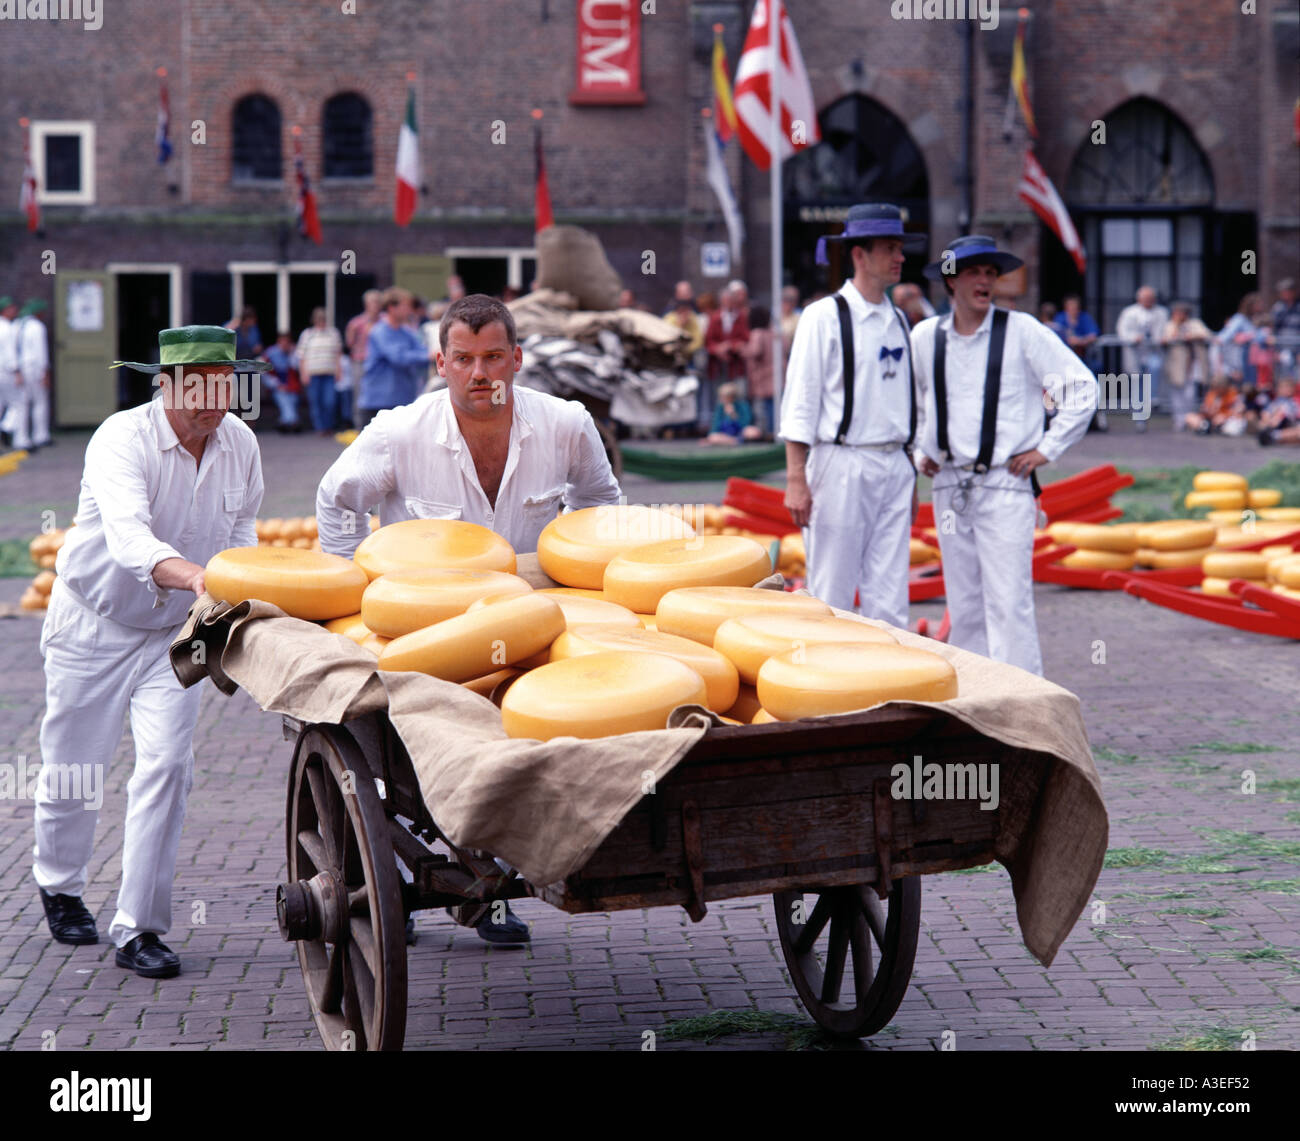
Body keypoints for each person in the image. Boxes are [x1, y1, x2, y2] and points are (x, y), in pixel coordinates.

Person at [317, 296, 620, 945]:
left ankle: (502, 871)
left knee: (533, 734)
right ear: (442, 363)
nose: (480, 373)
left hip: (530, 628)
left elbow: (601, 506)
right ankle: (465, 872)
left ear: (517, 358)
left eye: (492, 358)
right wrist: (348, 592)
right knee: (449, 741)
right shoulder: (400, 433)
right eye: (464, 359)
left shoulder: (566, 424)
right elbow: (335, 498)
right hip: (428, 637)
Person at [34, 325, 266, 978]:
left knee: (168, 765)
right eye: (196, 387)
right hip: (95, 624)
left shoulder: (240, 444)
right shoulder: (120, 438)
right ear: (164, 384)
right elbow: (129, 537)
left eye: (223, 385)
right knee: (73, 765)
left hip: (172, 637)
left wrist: (236, 583)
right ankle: (58, 881)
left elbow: (243, 527)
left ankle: (139, 928)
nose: (212, 401)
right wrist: (198, 576)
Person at [911, 236, 1096, 676]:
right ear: (951, 281)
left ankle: (1023, 708)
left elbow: (1082, 388)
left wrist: (1046, 450)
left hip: (1006, 484)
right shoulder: (924, 337)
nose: (985, 281)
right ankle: (975, 702)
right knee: (965, 601)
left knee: (1009, 601)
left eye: (991, 273)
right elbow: (918, 403)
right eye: (974, 272)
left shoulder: (1022, 331)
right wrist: (923, 450)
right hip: (951, 485)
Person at [781, 202, 925, 627]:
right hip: (841, 462)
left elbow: (906, 402)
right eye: (890, 248)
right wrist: (796, 478)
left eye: (901, 248)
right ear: (859, 255)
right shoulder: (823, 316)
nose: (900, 257)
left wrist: (909, 474)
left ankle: (889, 685)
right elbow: (801, 398)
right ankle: (830, 688)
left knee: (891, 594)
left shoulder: (899, 319)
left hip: (893, 465)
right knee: (832, 592)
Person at [356, 287, 437, 429]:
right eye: (405, 306)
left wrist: (434, 353)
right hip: (377, 403)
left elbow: (422, 351)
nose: (409, 310)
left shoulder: (406, 332)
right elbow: (398, 357)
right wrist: (429, 355)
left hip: (402, 400)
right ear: (391, 308)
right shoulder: (379, 331)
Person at [1116, 286, 1169, 429]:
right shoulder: (1129, 312)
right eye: (1145, 298)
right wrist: (1134, 338)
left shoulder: (1162, 312)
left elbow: (1165, 330)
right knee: (1137, 386)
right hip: (1135, 353)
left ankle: (1152, 398)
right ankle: (1140, 419)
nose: (1148, 301)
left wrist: (1164, 338)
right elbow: (1122, 331)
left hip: (1153, 350)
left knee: (1155, 367)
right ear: (1139, 299)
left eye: (1151, 298)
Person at [702, 280, 750, 433]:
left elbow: (745, 337)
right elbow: (708, 340)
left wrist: (734, 345)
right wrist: (718, 349)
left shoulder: (741, 317)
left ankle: (740, 424)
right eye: (725, 301)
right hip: (720, 365)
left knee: (738, 394)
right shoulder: (715, 318)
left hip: (735, 364)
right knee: (720, 396)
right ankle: (719, 426)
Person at [6, 298, 52, 450]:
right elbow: (41, 352)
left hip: (20, 368)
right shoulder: (37, 327)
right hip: (34, 368)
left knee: (22, 403)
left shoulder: (16, 324)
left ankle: (21, 438)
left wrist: (16, 370)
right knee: (40, 402)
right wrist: (45, 373)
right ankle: (41, 435)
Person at [1160, 301, 1211, 431]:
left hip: (1193, 364)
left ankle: (1189, 418)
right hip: (1177, 364)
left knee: (1190, 393)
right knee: (1177, 393)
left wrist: (1191, 336)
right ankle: (1179, 419)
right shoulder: (1170, 325)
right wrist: (1178, 330)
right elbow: (1165, 338)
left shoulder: (1194, 324)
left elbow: (1206, 334)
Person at [296, 307, 343, 435]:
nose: (321, 322)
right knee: (315, 402)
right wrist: (303, 373)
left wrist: (339, 370)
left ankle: (328, 426)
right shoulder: (307, 334)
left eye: (323, 320)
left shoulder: (333, 333)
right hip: (313, 373)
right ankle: (320, 428)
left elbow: (338, 354)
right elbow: (301, 356)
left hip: (329, 373)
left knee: (329, 401)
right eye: (319, 320)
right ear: (314, 320)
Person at [741, 305, 775, 435]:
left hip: (763, 376)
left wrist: (742, 349)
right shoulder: (775, 333)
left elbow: (755, 351)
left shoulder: (757, 334)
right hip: (776, 375)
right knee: (773, 404)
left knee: (765, 406)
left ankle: (768, 432)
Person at [262, 331, 302, 433]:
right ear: (278, 342)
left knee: (292, 399)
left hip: (292, 387)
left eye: (287, 342)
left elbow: (297, 368)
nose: (284, 344)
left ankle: (284, 422)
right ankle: (293, 421)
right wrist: (277, 385)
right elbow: (264, 373)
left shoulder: (295, 353)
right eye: (282, 342)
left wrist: (292, 354)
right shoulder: (271, 353)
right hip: (277, 388)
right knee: (284, 399)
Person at [0, 295, 19, 448]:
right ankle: (6, 427)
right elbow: (10, 352)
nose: (15, 311)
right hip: (6, 371)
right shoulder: (8, 328)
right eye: (12, 308)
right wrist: (17, 371)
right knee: (16, 403)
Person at [1258, 377, 1298, 446]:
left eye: (1290, 386)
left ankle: (1276, 437)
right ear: (1279, 389)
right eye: (1285, 387)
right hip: (1280, 427)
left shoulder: (1294, 401)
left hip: (1292, 427)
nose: (1288, 389)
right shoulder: (1276, 403)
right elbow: (1265, 415)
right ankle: (1273, 436)